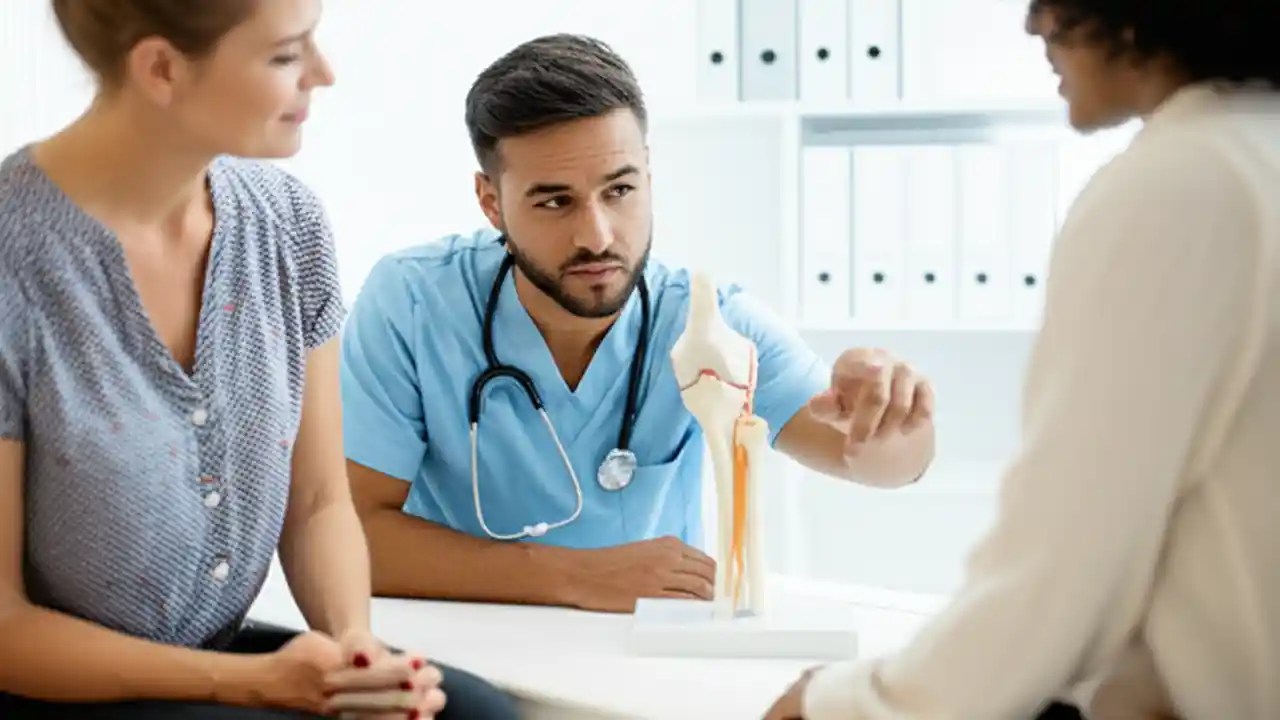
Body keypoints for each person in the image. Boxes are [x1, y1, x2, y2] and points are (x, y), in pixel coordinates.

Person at [0, 1, 517, 718]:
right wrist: (252, 684)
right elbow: (4, 631)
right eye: (285, 54)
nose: (324, 73)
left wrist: (355, 658)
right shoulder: (13, 256)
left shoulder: (288, 223)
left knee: (470, 712)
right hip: (57, 685)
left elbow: (317, 504)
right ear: (161, 69)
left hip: (223, 662)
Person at [765, 1, 1280, 718]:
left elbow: (1060, 580)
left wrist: (836, 704)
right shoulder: (1254, 152)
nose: (1035, 28)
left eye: (1053, 5)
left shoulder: (1183, 185)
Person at [339, 33, 938, 614]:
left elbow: (877, 464)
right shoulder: (413, 304)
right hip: (469, 655)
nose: (596, 236)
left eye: (618, 190)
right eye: (554, 201)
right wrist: (575, 577)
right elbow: (347, 535)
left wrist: (889, 421)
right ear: (491, 200)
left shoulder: (710, 321)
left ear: (648, 174)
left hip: (646, 655)